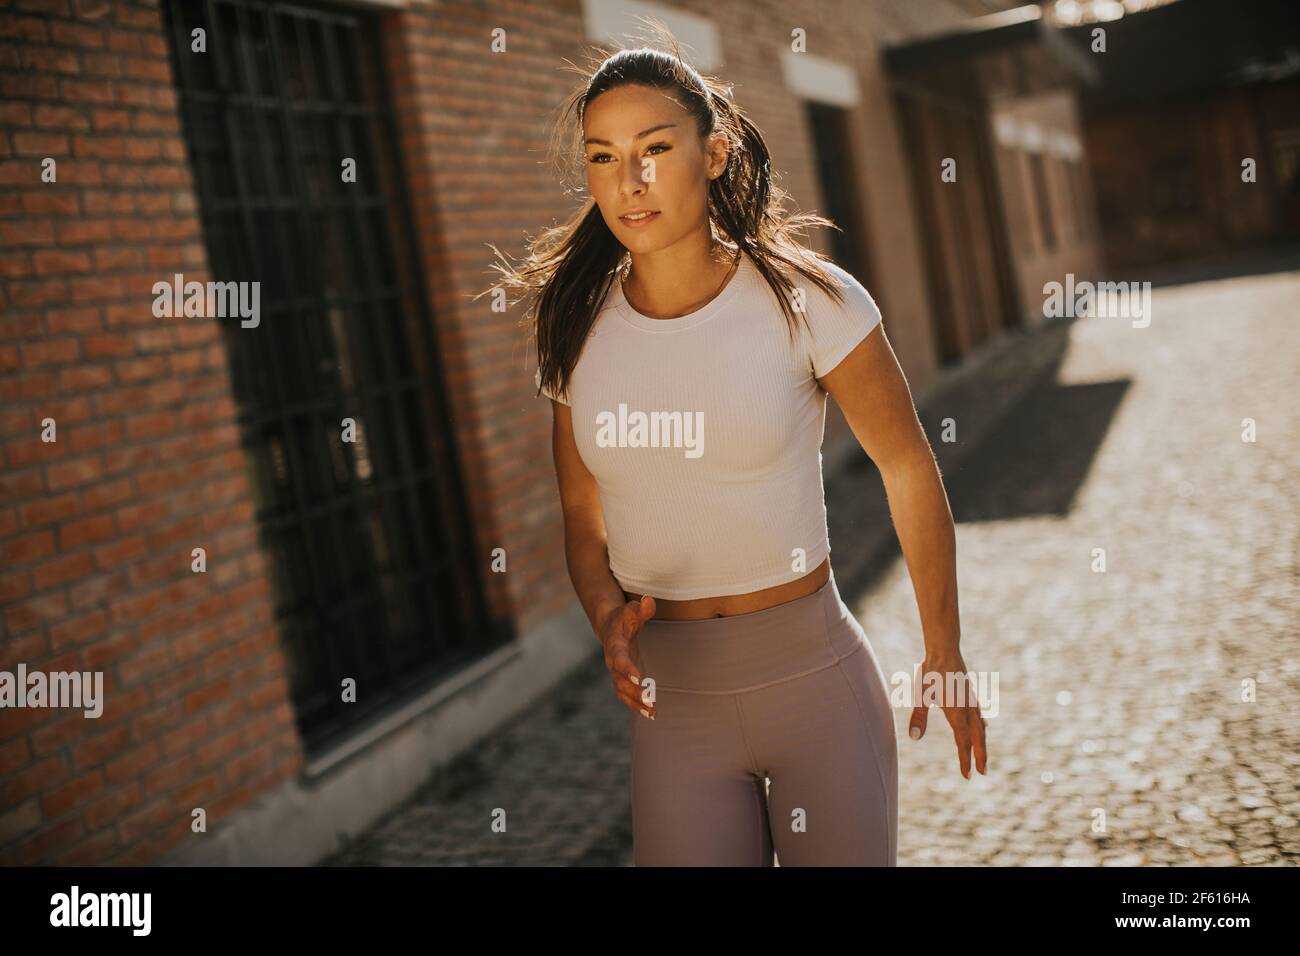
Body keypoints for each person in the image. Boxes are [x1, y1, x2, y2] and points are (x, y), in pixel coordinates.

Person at [488, 28, 987, 866]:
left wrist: (944, 650)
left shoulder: (809, 300)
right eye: (603, 157)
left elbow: (907, 466)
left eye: (655, 148)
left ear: (713, 154)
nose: (630, 181)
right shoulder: (574, 327)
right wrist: (607, 615)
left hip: (817, 685)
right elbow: (583, 512)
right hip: (673, 705)